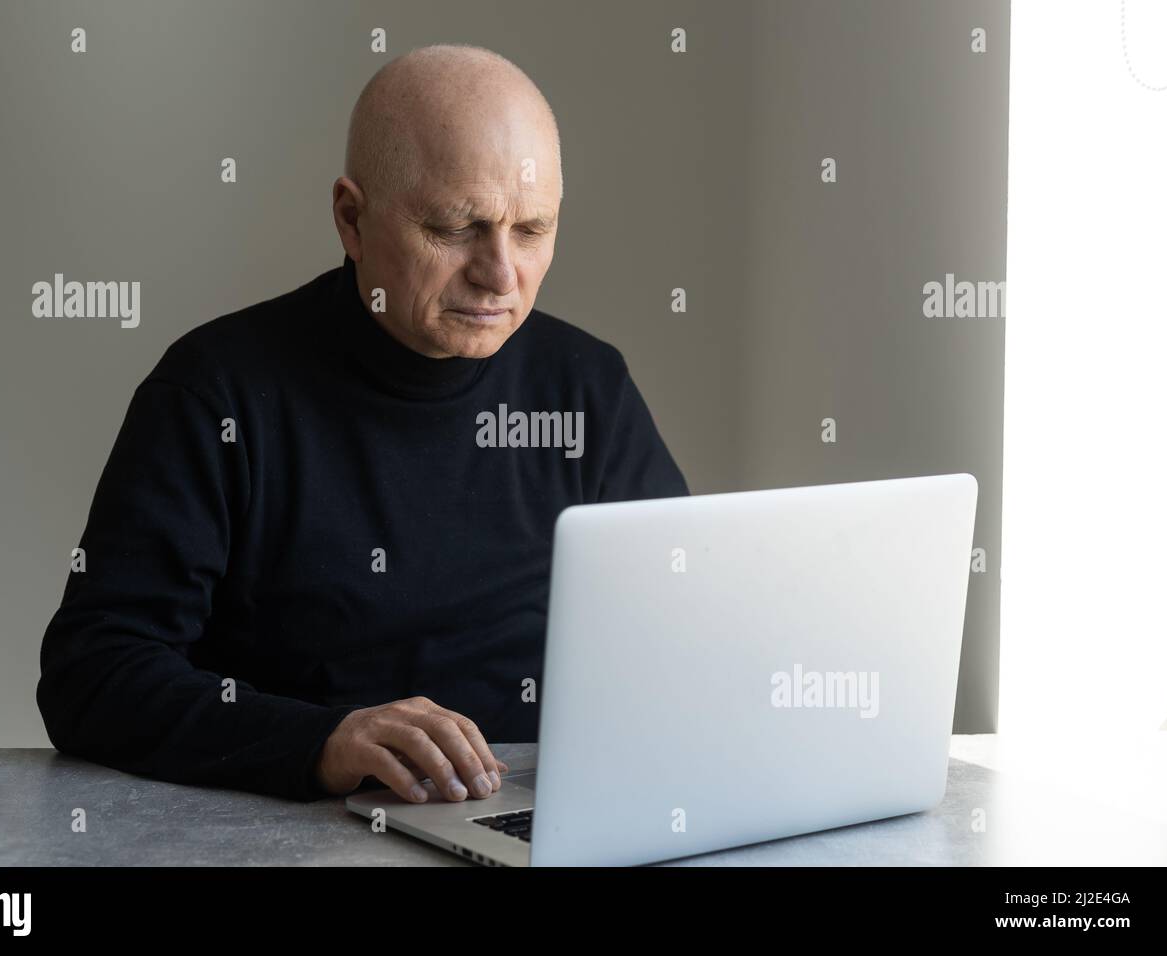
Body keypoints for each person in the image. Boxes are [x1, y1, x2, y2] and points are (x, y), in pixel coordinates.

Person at [37, 43, 688, 806]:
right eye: (456, 228)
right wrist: (320, 742)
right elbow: (93, 671)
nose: (501, 274)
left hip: (538, 820)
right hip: (290, 835)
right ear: (352, 217)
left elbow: (684, 626)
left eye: (532, 230)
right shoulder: (217, 394)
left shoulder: (588, 388)